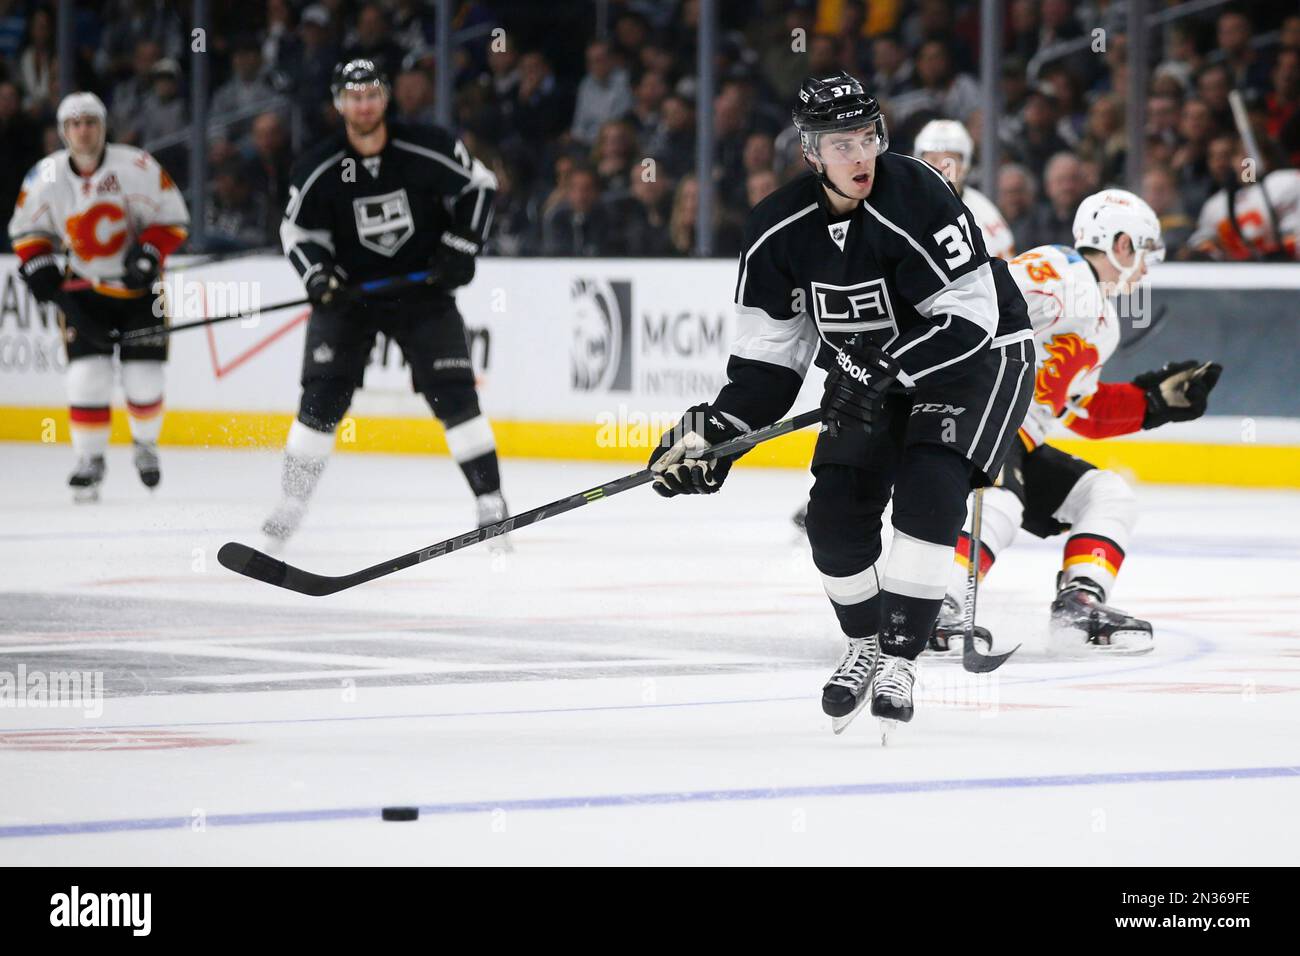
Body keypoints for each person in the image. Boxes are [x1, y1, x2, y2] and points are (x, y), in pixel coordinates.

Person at [646, 72, 1033, 736]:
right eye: (839, 143)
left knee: (928, 490)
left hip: (974, 360)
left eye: (866, 137)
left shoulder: (919, 194)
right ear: (810, 152)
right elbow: (771, 359)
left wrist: (883, 367)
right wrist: (721, 429)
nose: (859, 156)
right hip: (869, 374)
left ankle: (902, 658)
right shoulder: (778, 231)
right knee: (832, 514)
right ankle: (865, 644)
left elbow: (970, 317)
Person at [929, 190, 1222, 656]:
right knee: (1002, 503)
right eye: (1145, 252)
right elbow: (976, 303)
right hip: (974, 419)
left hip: (1016, 438)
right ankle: (935, 601)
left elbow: (1078, 412)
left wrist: (1151, 403)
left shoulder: (1104, 322)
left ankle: (1079, 601)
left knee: (1109, 494)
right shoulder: (1061, 270)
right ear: (1122, 245)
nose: (1146, 268)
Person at [262, 59, 507, 550]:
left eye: (372, 93)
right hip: (351, 297)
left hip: (422, 293)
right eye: (354, 96)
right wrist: (319, 274)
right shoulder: (318, 165)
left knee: (454, 394)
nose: (364, 104)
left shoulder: (427, 146)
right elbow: (297, 230)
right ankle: (290, 504)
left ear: (386, 97)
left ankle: (492, 504)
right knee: (321, 398)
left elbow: (480, 186)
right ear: (338, 103)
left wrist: (462, 244)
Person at [7, 92, 189, 501]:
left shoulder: (137, 165)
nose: (83, 130)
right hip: (82, 291)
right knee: (87, 378)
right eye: (74, 124)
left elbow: (173, 218)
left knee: (145, 379)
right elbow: (26, 231)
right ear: (62, 130)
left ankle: (144, 445)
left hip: (140, 291)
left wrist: (148, 253)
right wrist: (39, 266)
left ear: (103, 126)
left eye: (90, 122)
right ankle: (90, 459)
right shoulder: (45, 176)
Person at [914, 118, 1015, 258]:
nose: (940, 167)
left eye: (949, 159)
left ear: (965, 165)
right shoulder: (900, 208)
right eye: (933, 159)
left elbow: (1004, 267)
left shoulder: (985, 212)